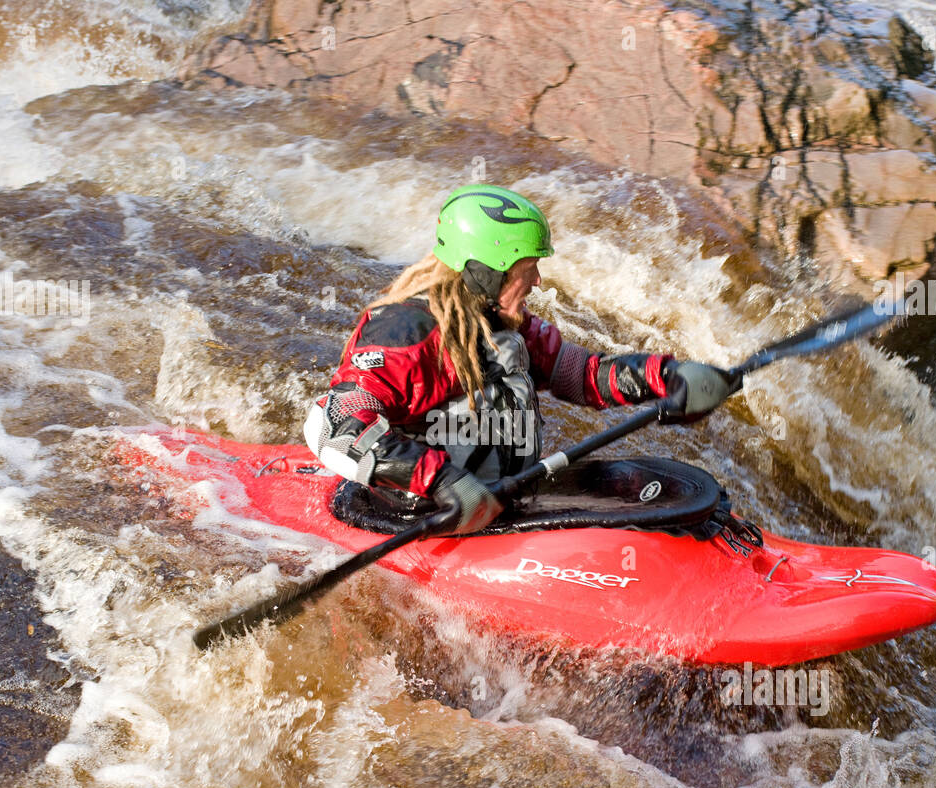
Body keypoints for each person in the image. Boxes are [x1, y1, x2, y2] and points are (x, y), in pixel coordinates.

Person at [304, 185, 735, 535]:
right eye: (526, 268)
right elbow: (337, 425)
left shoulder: (509, 326)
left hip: (502, 503)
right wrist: (440, 480)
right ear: (487, 271)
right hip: (422, 516)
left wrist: (668, 376)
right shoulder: (405, 334)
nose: (538, 280)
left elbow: (585, 376)